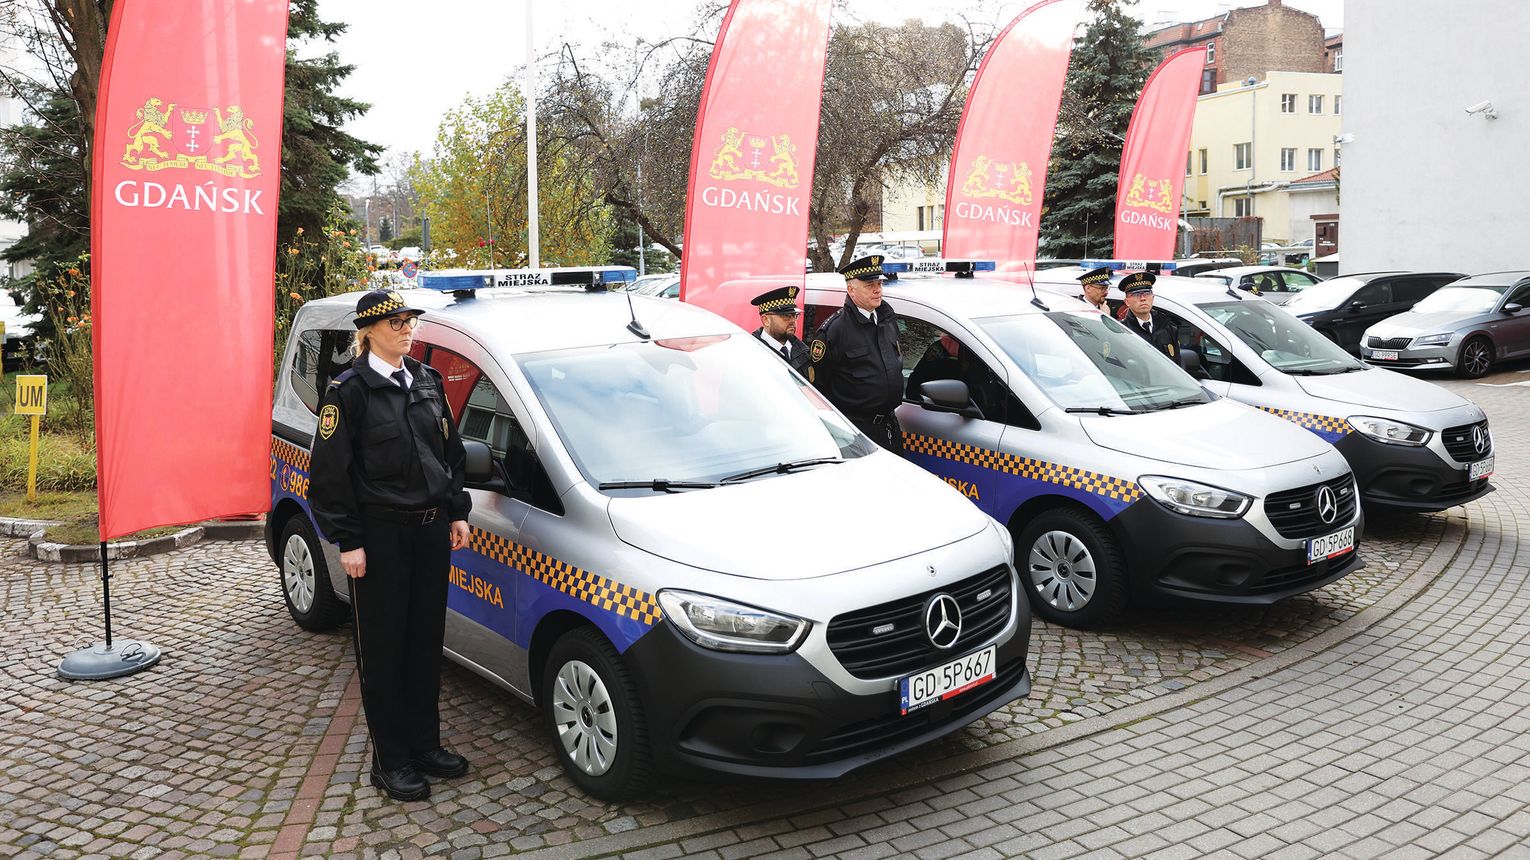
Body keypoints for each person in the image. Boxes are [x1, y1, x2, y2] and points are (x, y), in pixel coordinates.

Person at [309, 289, 473, 803]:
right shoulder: (349, 391)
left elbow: (450, 454)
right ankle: (391, 760)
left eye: (409, 321)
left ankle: (425, 746)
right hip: (378, 537)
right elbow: (329, 476)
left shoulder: (427, 380)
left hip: (429, 531)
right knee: (383, 650)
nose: (407, 329)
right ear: (369, 331)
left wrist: (457, 509)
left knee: (425, 642)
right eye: (396, 321)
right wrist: (349, 541)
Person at [808, 254, 905, 454]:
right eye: (870, 285)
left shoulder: (887, 319)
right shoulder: (835, 331)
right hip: (856, 430)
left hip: (889, 426)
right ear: (851, 290)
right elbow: (818, 389)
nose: (878, 289)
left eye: (879, 283)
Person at [750, 284, 810, 373]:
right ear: (766, 320)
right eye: (786, 316)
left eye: (795, 315)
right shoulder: (751, 355)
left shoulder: (803, 351)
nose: (793, 320)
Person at [1118, 272, 1178, 359]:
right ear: (1127, 302)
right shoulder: (1122, 331)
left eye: (1146, 293)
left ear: (1153, 297)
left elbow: (1177, 363)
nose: (1143, 298)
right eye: (1136, 295)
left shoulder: (1167, 326)